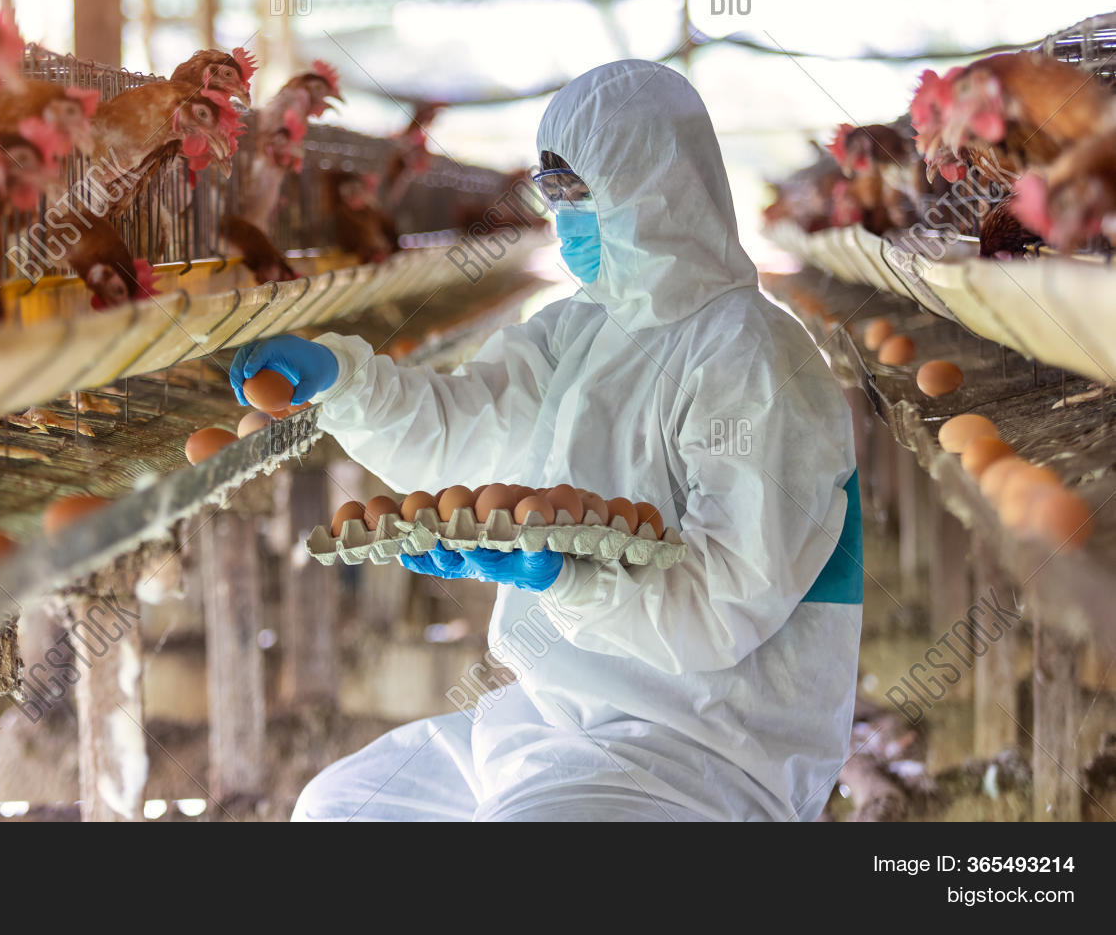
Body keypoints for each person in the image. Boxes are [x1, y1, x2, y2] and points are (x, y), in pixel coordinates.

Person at [228, 59, 862, 821]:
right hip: (550, 713)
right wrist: (344, 382)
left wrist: (569, 578)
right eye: (552, 194)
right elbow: (460, 431)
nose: (564, 218)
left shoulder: (751, 354)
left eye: (579, 194)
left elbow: (720, 607)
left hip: (701, 745)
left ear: (652, 188)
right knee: (340, 806)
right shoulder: (580, 330)